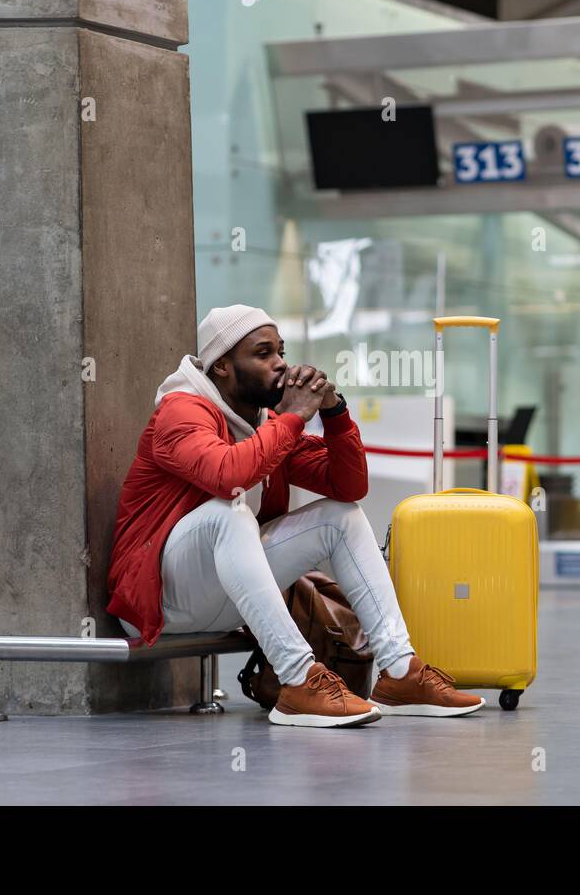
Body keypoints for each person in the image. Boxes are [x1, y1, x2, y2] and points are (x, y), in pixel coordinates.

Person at [106, 305, 484, 727]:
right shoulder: (182, 412)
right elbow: (228, 476)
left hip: (227, 599)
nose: (281, 363)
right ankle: (299, 679)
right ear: (224, 367)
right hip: (163, 597)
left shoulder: (265, 423)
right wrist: (291, 418)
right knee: (227, 513)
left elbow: (349, 486)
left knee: (341, 515)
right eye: (264, 353)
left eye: (281, 352)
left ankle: (399, 672)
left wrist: (334, 412)